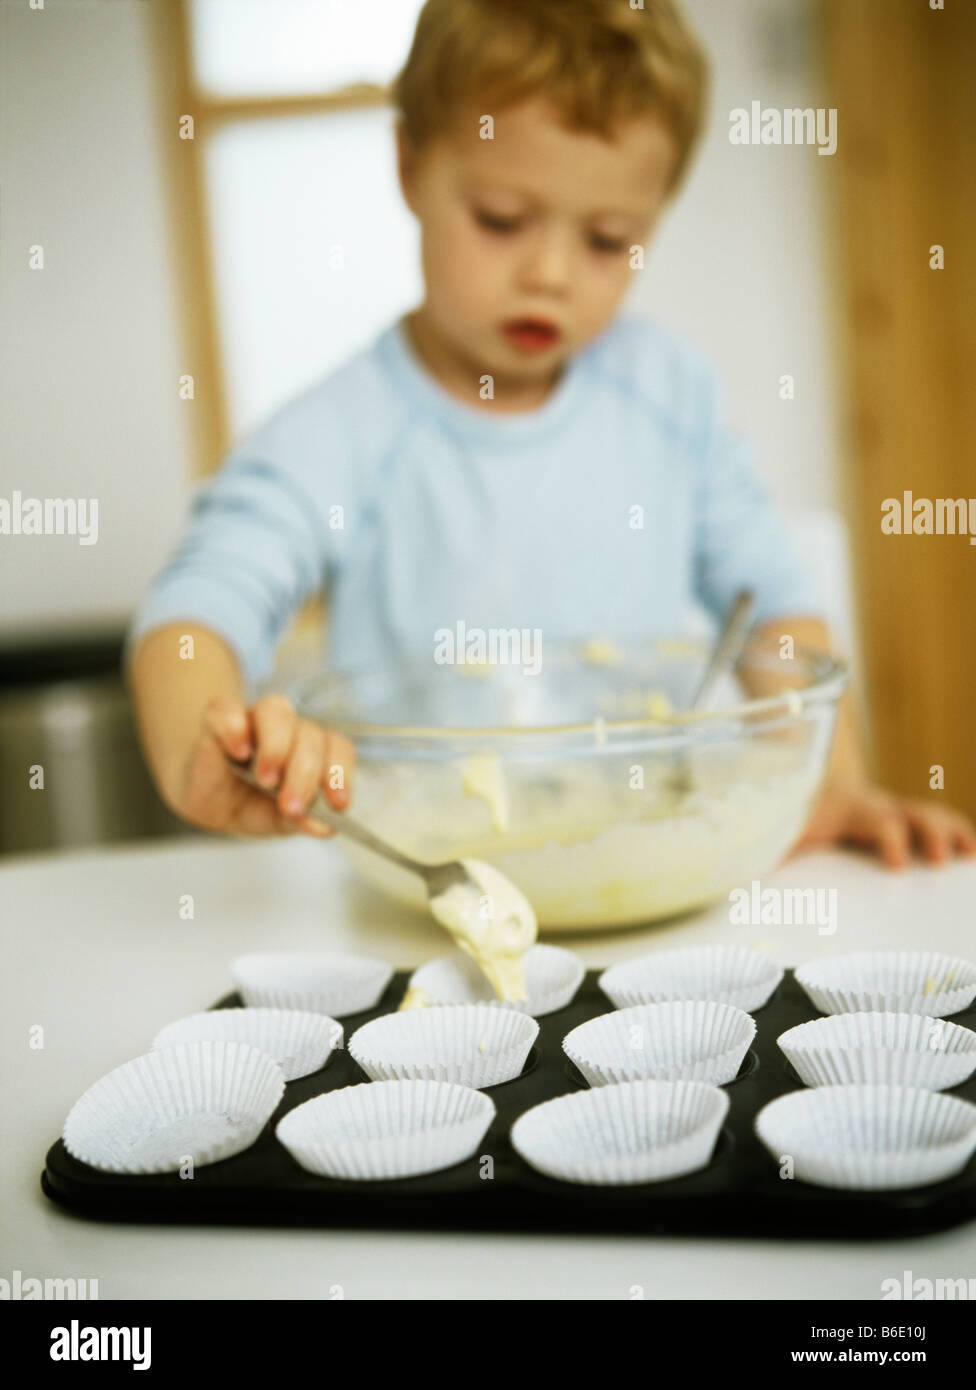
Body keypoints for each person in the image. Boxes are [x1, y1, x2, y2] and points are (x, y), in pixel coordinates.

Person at [127, 0, 976, 869]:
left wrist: (832, 782)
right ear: (411, 167)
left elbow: (771, 604)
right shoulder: (340, 431)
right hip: (425, 885)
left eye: (610, 240)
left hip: (652, 862)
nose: (550, 274)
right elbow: (197, 611)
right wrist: (205, 739)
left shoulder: (669, 394)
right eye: (500, 219)